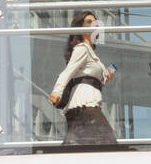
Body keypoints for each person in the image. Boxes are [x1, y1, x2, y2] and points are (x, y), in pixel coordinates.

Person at [49, 10, 117, 147]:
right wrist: (57, 92)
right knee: (105, 139)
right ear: (80, 28)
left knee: (85, 140)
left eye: (95, 23)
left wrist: (105, 78)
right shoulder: (82, 48)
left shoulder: (93, 54)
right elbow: (67, 72)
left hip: (89, 101)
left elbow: (92, 78)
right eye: (88, 22)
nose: (93, 25)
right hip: (84, 102)